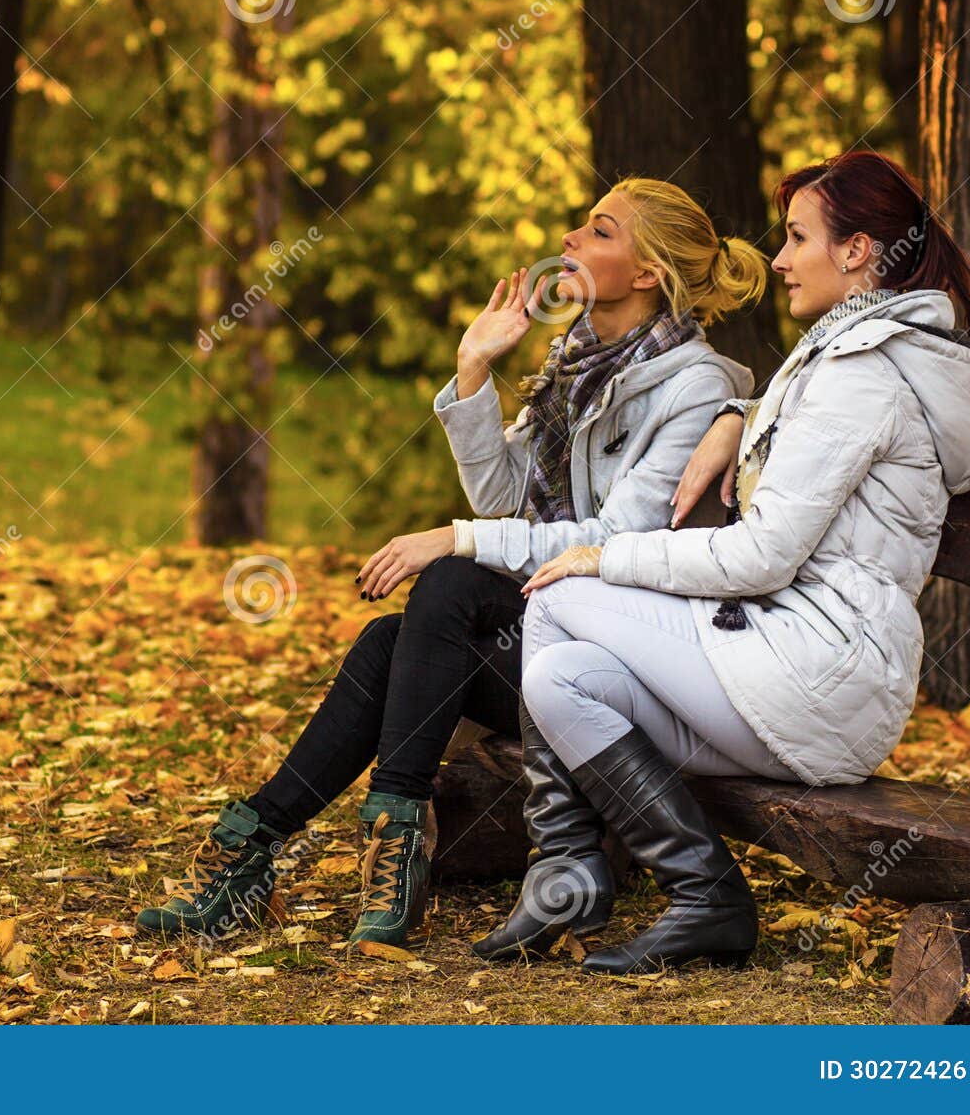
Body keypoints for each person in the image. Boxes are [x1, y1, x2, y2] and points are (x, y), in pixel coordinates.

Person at [136, 177, 769, 948]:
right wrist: (473, 369)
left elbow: (613, 541)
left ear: (647, 275)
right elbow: (503, 492)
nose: (570, 238)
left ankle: (376, 844)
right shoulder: (577, 361)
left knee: (453, 580)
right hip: (554, 636)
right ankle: (262, 848)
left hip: (625, 665)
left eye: (599, 231)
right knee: (388, 641)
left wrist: (457, 537)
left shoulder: (694, 388)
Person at [480, 150, 970, 974]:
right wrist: (737, 411)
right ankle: (690, 894)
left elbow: (762, 555)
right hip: (792, 666)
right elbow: (797, 435)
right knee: (559, 678)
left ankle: (597, 870)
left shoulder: (863, 373)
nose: (780, 258)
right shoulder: (847, 358)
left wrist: (607, 554)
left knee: (558, 598)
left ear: (858, 252)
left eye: (799, 238)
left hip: (821, 672)